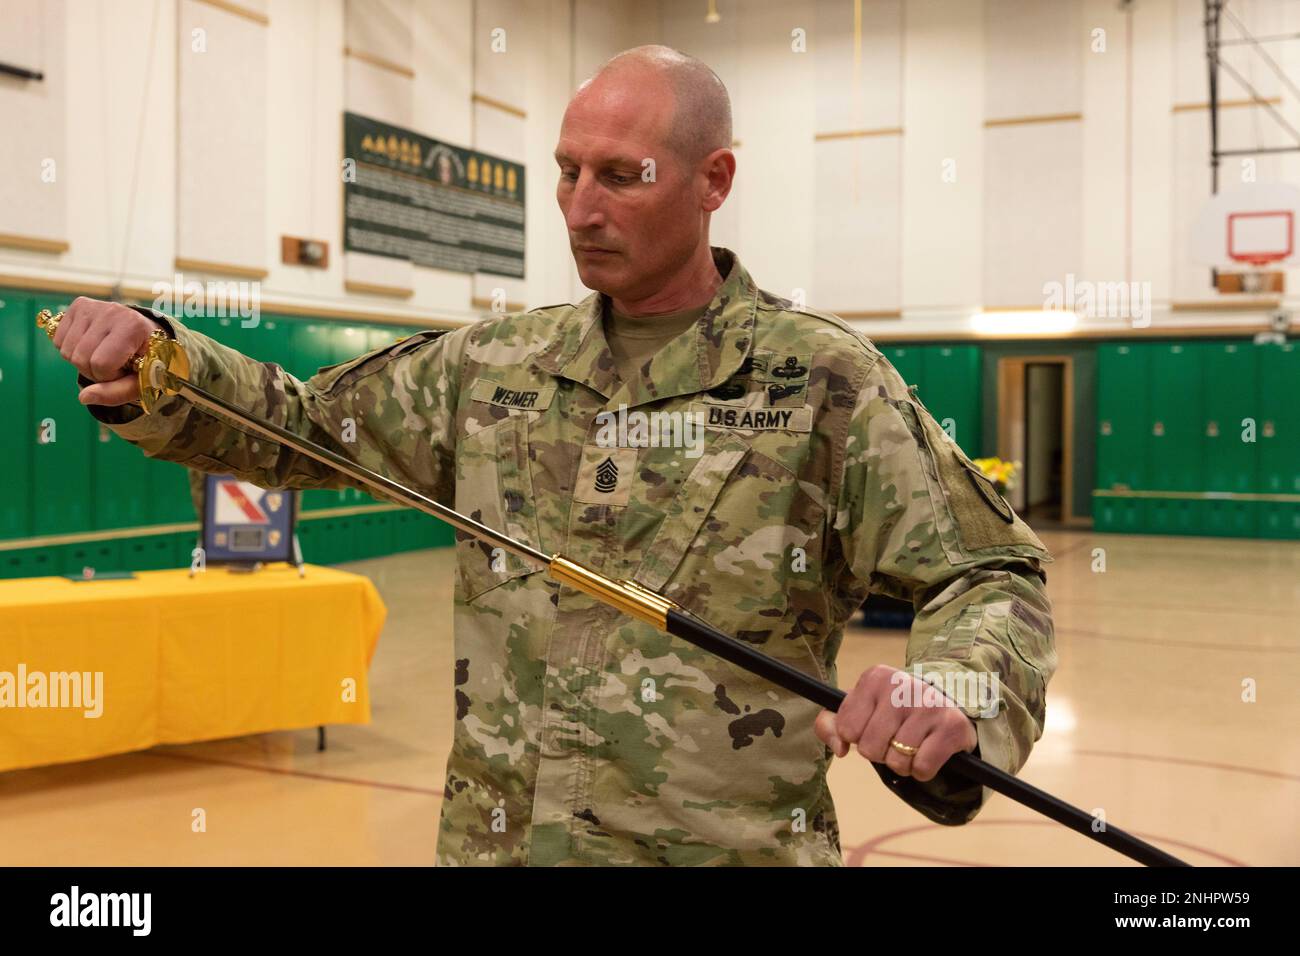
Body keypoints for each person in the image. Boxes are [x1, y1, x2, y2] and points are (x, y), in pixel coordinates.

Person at [51, 45, 1055, 866]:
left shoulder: (822, 381)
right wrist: (161, 364)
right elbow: (301, 426)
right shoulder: (494, 365)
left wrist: (955, 691)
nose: (579, 209)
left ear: (714, 181)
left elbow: (988, 568)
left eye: (620, 176)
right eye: (567, 171)